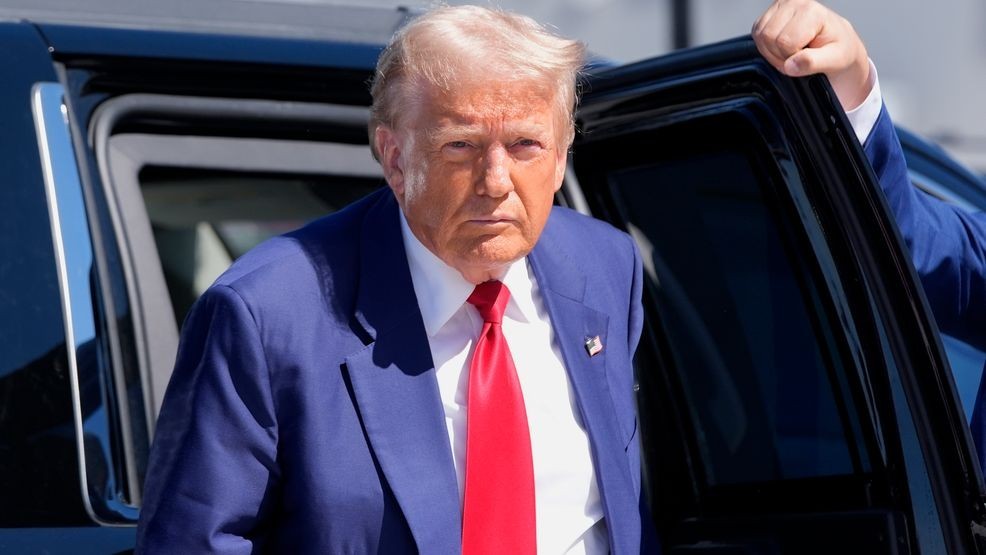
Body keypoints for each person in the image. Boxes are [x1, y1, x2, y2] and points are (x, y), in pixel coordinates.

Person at [136, 1, 897, 552]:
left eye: (527, 145)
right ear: (395, 155)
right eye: (463, 145)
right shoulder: (269, 310)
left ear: (563, 154)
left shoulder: (605, 267)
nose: (498, 180)